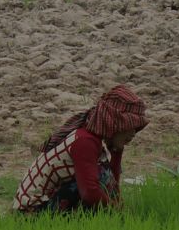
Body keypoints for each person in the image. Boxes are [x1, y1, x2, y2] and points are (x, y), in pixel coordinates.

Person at [14, 85, 147, 214]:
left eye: (136, 127)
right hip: (32, 212)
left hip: (50, 202)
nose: (133, 133)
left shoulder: (102, 140)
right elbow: (90, 194)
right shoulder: (85, 141)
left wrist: (116, 150)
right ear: (114, 123)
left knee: (103, 174)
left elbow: (113, 187)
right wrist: (119, 213)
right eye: (130, 126)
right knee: (100, 174)